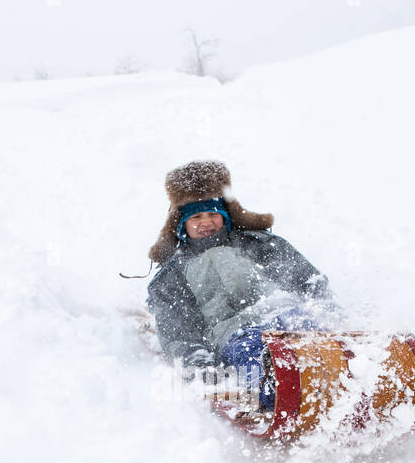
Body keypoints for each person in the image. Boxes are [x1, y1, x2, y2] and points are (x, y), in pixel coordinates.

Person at [145, 160, 339, 409]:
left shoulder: (258, 244)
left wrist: (327, 308)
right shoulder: (173, 275)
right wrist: (197, 360)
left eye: (213, 214)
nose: (206, 222)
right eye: (196, 217)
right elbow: (178, 328)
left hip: (282, 310)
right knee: (252, 356)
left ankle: (349, 374)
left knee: (310, 332)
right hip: (234, 333)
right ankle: (281, 398)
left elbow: (305, 278)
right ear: (181, 225)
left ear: (226, 216)